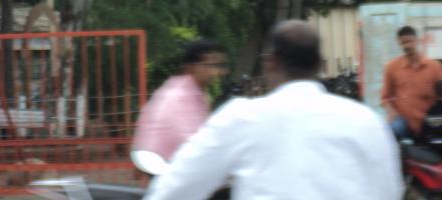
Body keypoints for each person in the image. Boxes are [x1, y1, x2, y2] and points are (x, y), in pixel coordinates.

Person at [145, 20, 403, 200]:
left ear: (271, 62)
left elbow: (176, 187)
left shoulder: (241, 117)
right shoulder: (367, 122)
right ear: (319, 64)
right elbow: (389, 190)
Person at [132, 38, 228, 162]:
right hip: (165, 169)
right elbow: (194, 143)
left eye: (220, 66)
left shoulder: (193, 91)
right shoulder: (178, 96)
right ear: (193, 67)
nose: (217, 72)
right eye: (211, 65)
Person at [381, 25, 442, 139]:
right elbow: (385, 98)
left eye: (410, 41)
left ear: (417, 40)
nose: (407, 46)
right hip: (403, 122)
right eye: (403, 43)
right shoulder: (391, 67)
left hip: (428, 121)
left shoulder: (435, 67)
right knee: (387, 133)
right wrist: (393, 113)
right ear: (399, 43)